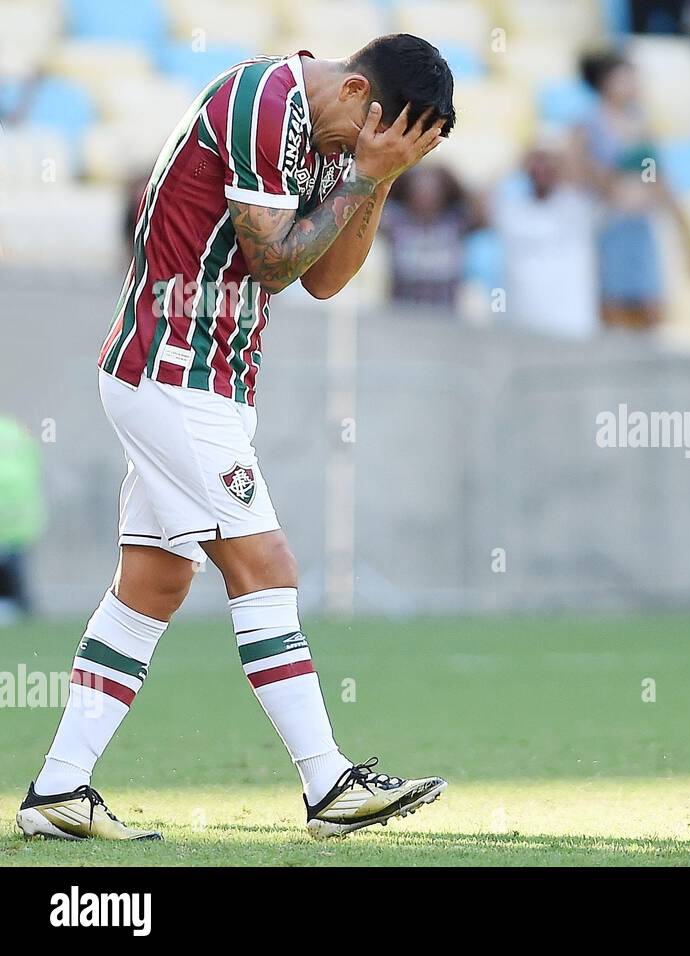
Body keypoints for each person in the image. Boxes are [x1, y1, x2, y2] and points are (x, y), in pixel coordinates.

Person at [19, 35, 455, 843]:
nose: (369, 156)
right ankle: (329, 785)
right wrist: (364, 173)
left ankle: (59, 790)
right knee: (268, 566)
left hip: (204, 379)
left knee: (153, 585)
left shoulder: (335, 140)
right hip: (173, 369)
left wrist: (378, 177)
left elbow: (326, 278)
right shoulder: (263, 105)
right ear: (358, 93)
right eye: (381, 137)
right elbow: (277, 259)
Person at [576, 51, 671, 330]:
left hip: (641, 223)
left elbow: (660, 178)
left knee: (650, 304)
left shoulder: (641, 123)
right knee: (612, 303)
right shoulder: (589, 124)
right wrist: (610, 183)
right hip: (609, 222)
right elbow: (580, 173)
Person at [495, 140, 601, 339]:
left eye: (550, 162)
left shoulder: (579, 205)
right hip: (521, 328)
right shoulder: (512, 209)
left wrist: (568, 159)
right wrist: (517, 163)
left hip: (572, 329)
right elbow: (480, 200)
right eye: (538, 161)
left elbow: (606, 186)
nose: (543, 167)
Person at [382, 164, 480, 310]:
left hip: (445, 315)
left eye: (433, 189)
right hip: (402, 314)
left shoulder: (455, 222)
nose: (425, 196)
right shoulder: (396, 222)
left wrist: (453, 179)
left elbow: (480, 210)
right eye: (419, 189)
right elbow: (373, 205)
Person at [0, 417, 44, 623]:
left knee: (16, 594)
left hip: (16, 528)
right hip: (20, 526)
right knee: (18, 596)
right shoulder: (17, 431)